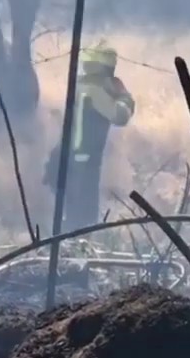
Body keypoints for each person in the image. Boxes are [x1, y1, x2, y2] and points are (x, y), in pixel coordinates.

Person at [43, 41, 136, 232]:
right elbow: (118, 115)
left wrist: (108, 96)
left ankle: (74, 242)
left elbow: (117, 115)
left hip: (78, 157)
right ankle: (74, 243)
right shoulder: (88, 86)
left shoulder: (94, 85)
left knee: (77, 208)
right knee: (77, 208)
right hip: (76, 156)